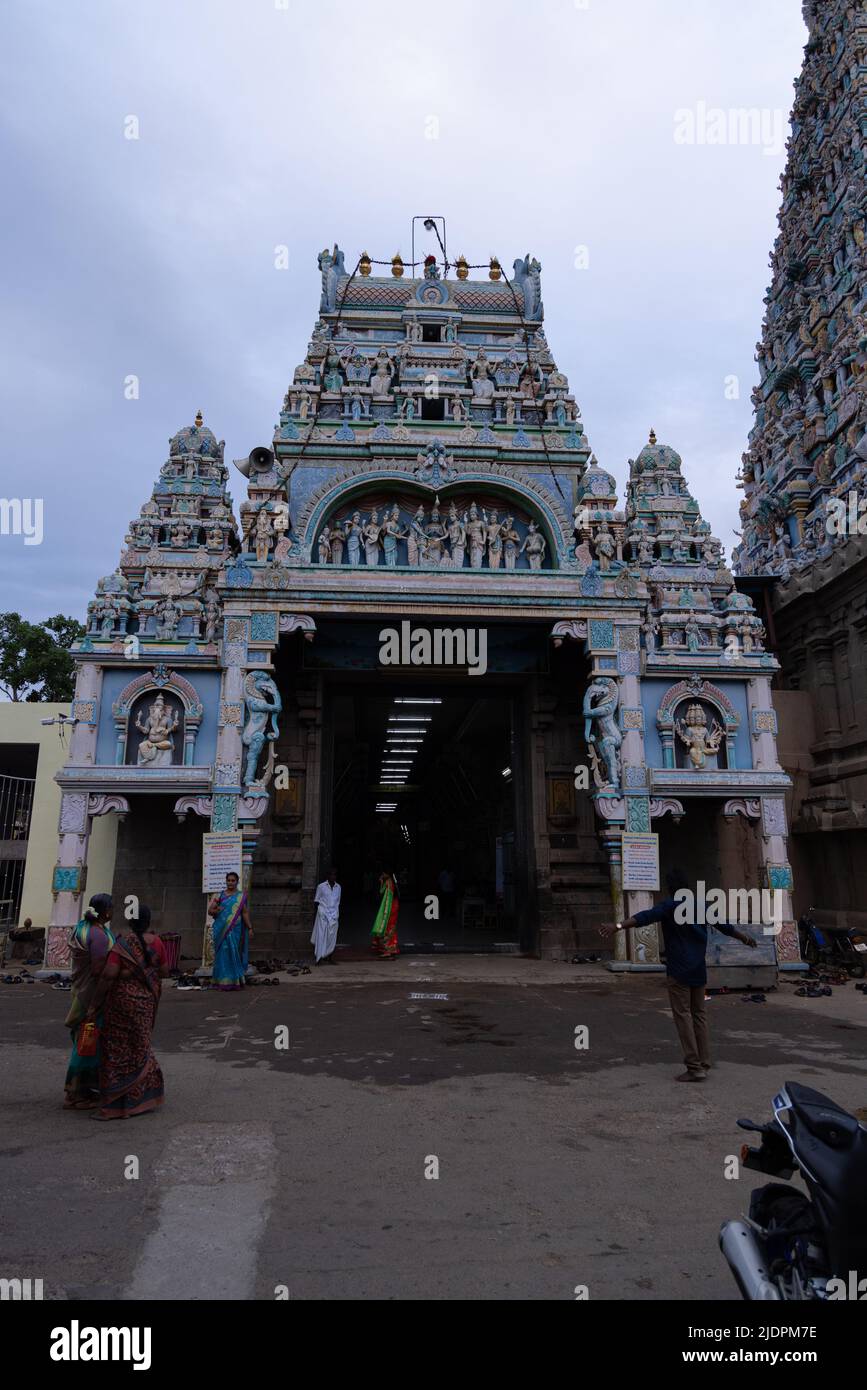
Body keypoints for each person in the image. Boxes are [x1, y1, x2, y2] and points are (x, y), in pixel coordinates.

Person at [600, 868, 757, 1082]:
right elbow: (725, 927)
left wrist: (616, 926)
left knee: (683, 1016)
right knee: (699, 1016)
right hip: (698, 970)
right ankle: (704, 1061)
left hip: (678, 972)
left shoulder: (669, 906)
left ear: (671, 887)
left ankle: (694, 1067)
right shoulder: (701, 906)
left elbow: (643, 918)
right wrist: (745, 939)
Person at [88, 905, 170, 1120]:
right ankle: (140, 1100)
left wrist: (94, 1004)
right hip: (145, 1003)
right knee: (140, 1046)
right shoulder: (158, 943)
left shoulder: (121, 944)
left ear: (130, 922)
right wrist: (144, 970)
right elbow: (164, 971)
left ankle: (113, 1106)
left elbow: (108, 976)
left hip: (121, 1005)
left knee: (115, 1050)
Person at [63, 893, 115, 1111]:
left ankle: (86, 1087)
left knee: (87, 1038)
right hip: (91, 994)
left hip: (79, 989)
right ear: (106, 911)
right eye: (111, 907)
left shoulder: (82, 929)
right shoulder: (98, 935)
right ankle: (76, 1092)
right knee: (87, 1040)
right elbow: (97, 970)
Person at [207, 871, 253, 989]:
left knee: (233, 952)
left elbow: (244, 913)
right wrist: (216, 911)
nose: (230, 883)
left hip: (235, 929)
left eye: (233, 880)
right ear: (226, 881)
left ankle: (234, 980)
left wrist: (250, 927)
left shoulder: (241, 896)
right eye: (229, 880)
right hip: (221, 928)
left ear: (237, 882)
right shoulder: (220, 895)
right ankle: (221, 981)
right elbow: (210, 911)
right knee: (222, 953)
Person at [312, 866, 341, 965]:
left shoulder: (338, 887)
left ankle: (329, 957)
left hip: (333, 915)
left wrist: (336, 914)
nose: (333, 876)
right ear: (327, 876)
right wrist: (320, 913)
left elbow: (337, 902)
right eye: (331, 874)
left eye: (335, 874)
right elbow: (316, 901)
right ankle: (319, 958)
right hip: (323, 914)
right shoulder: (321, 886)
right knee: (321, 936)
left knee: (332, 937)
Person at [371, 869, 400, 958]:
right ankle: (392, 948)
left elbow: (382, 893)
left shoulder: (388, 882)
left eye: (383, 873)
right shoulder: (392, 881)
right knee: (391, 927)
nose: (382, 874)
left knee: (386, 927)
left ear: (387, 874)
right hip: (394, 905)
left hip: (390, 907)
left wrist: (381, 882)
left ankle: (388, 950)